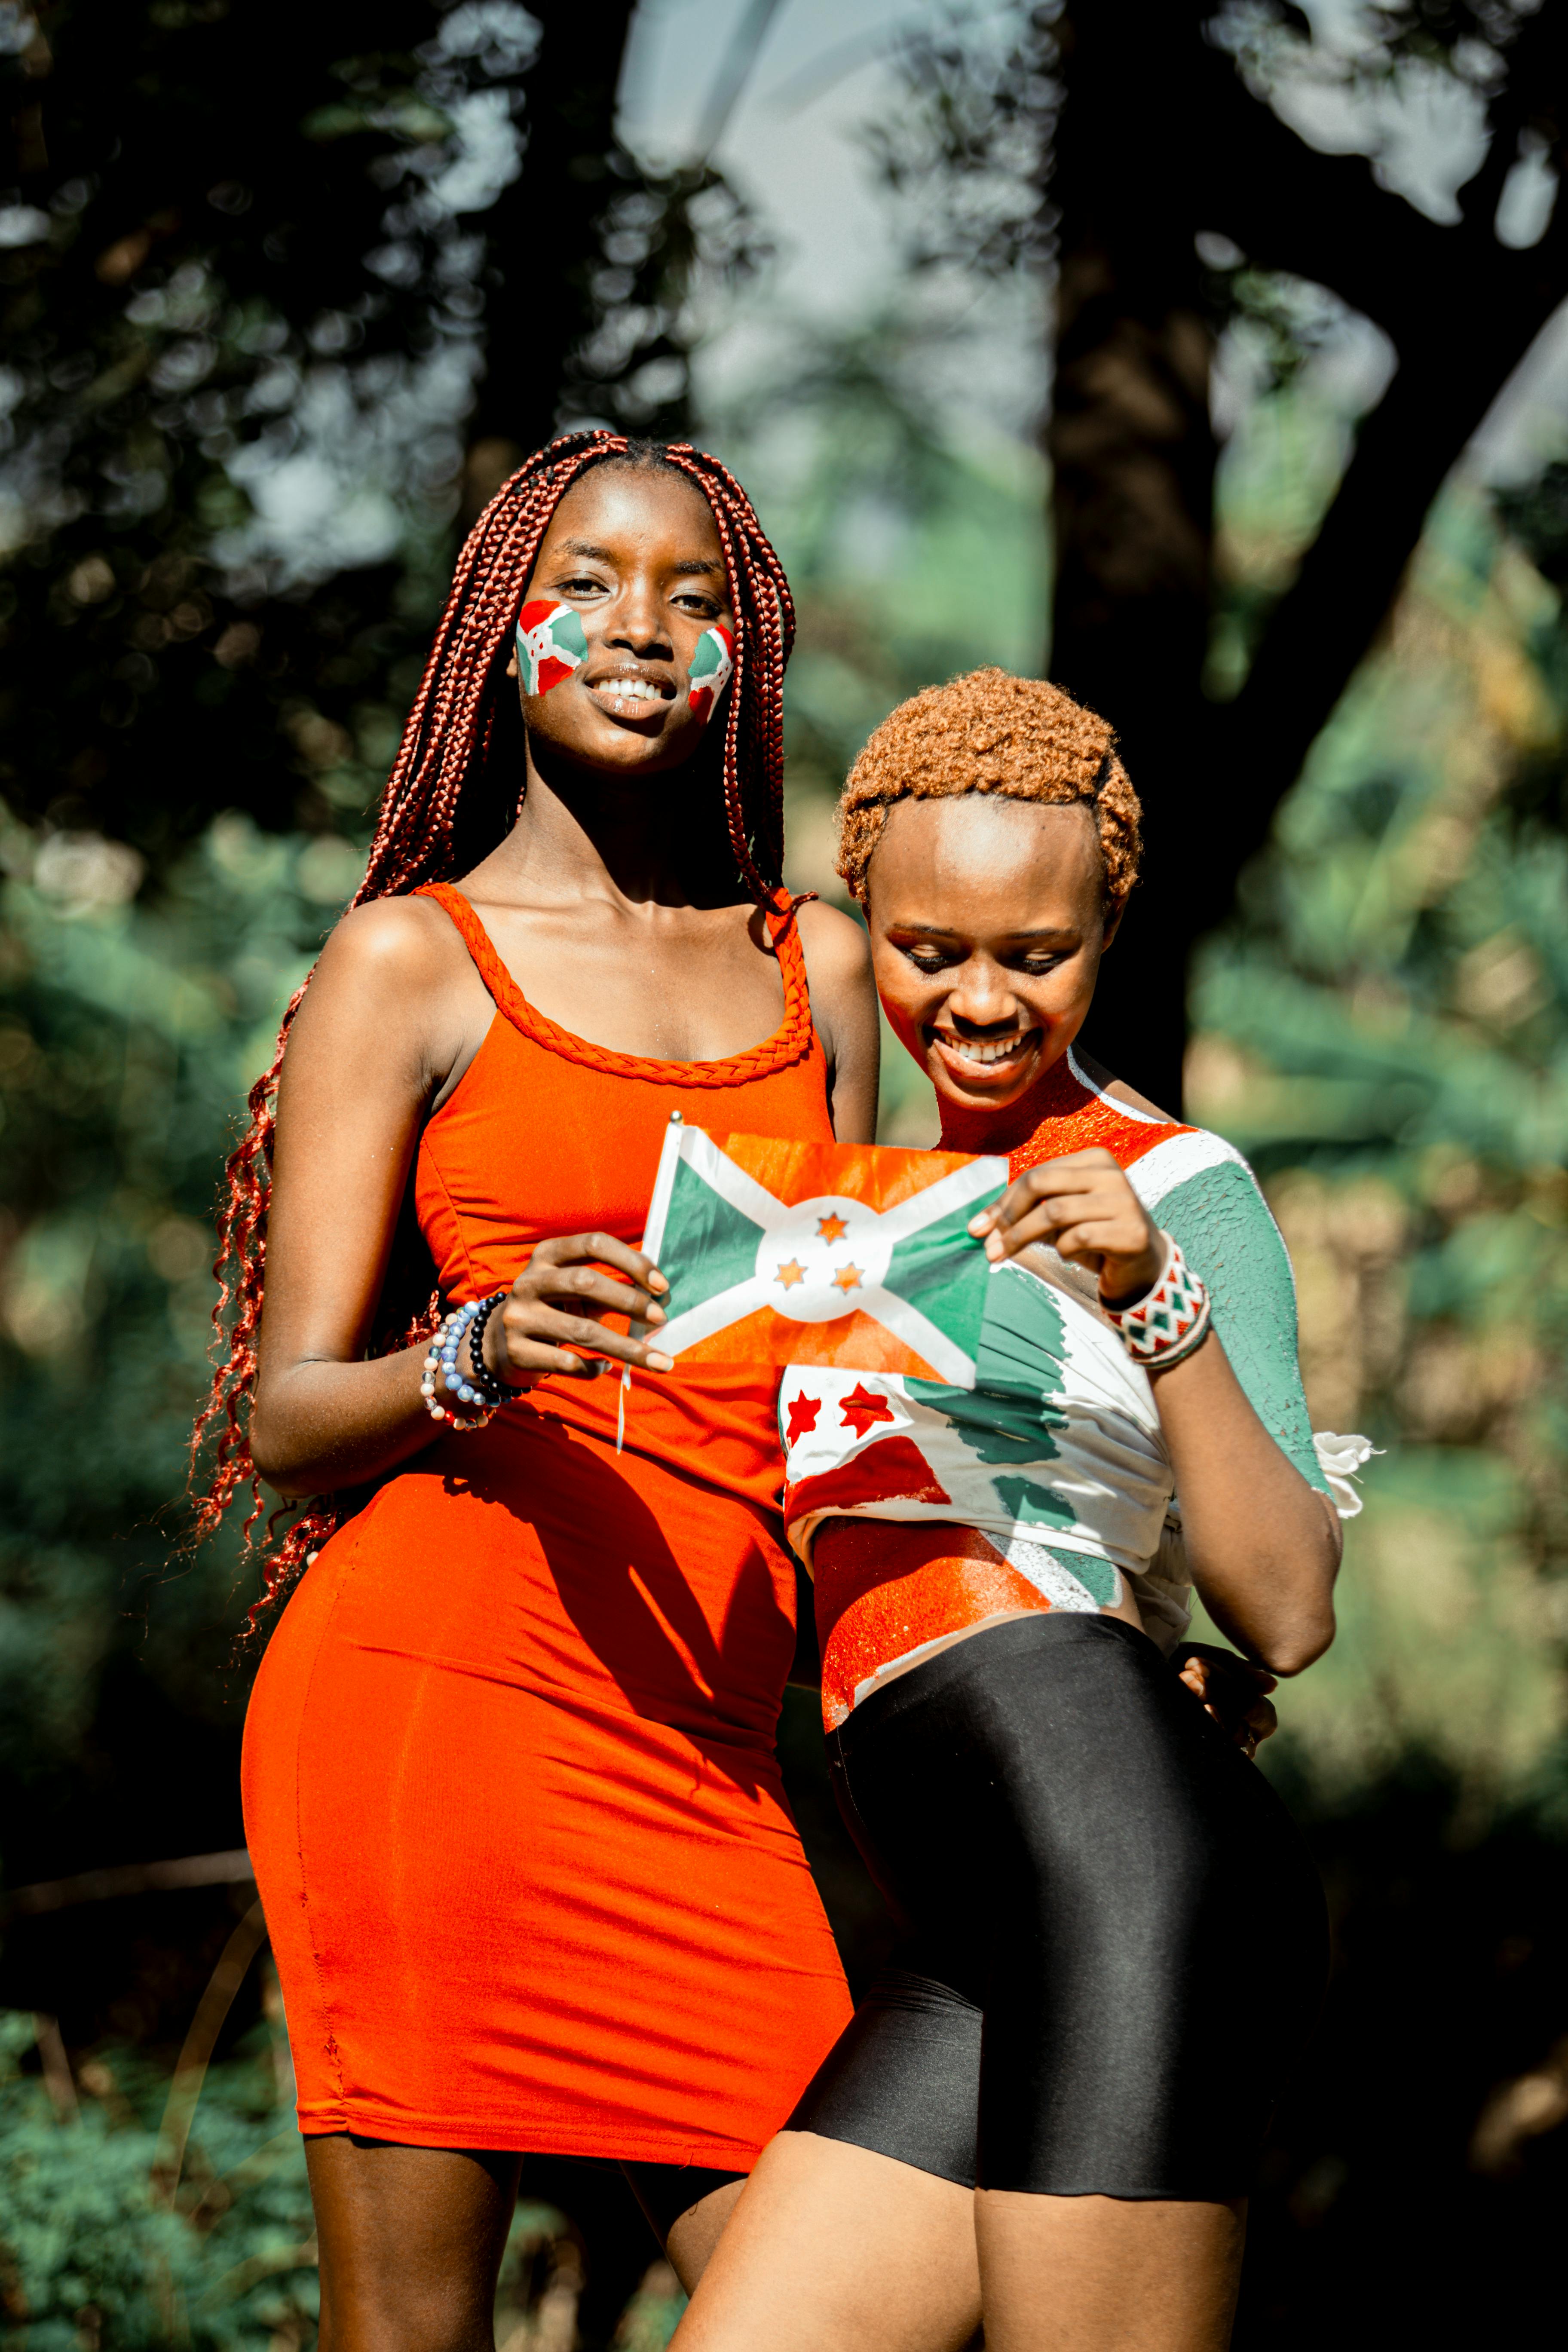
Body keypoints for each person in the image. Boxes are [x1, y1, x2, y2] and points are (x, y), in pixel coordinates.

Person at [191, 432, 881, 2349]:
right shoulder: (412, 962)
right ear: (504, 631)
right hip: (438, 1717)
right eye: (587, 580)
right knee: (417, 2338)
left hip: (709, 1756)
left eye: (700, 592)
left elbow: (844, 1385)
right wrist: (477, 1351)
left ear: (750, 646)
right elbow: (286, 1416)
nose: (644, 626)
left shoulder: (813, 972)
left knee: (845, 2306)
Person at [671, 669, 1362, 2352]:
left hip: (1117, 1868)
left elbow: (1286, 1609)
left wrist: (1156, 1298)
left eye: (1033, 956)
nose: (979, 1001)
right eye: (930, 952)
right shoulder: (824, 1216)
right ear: (866, 925)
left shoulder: (1176, 1186)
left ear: (1109, 920)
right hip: (976, 1920)